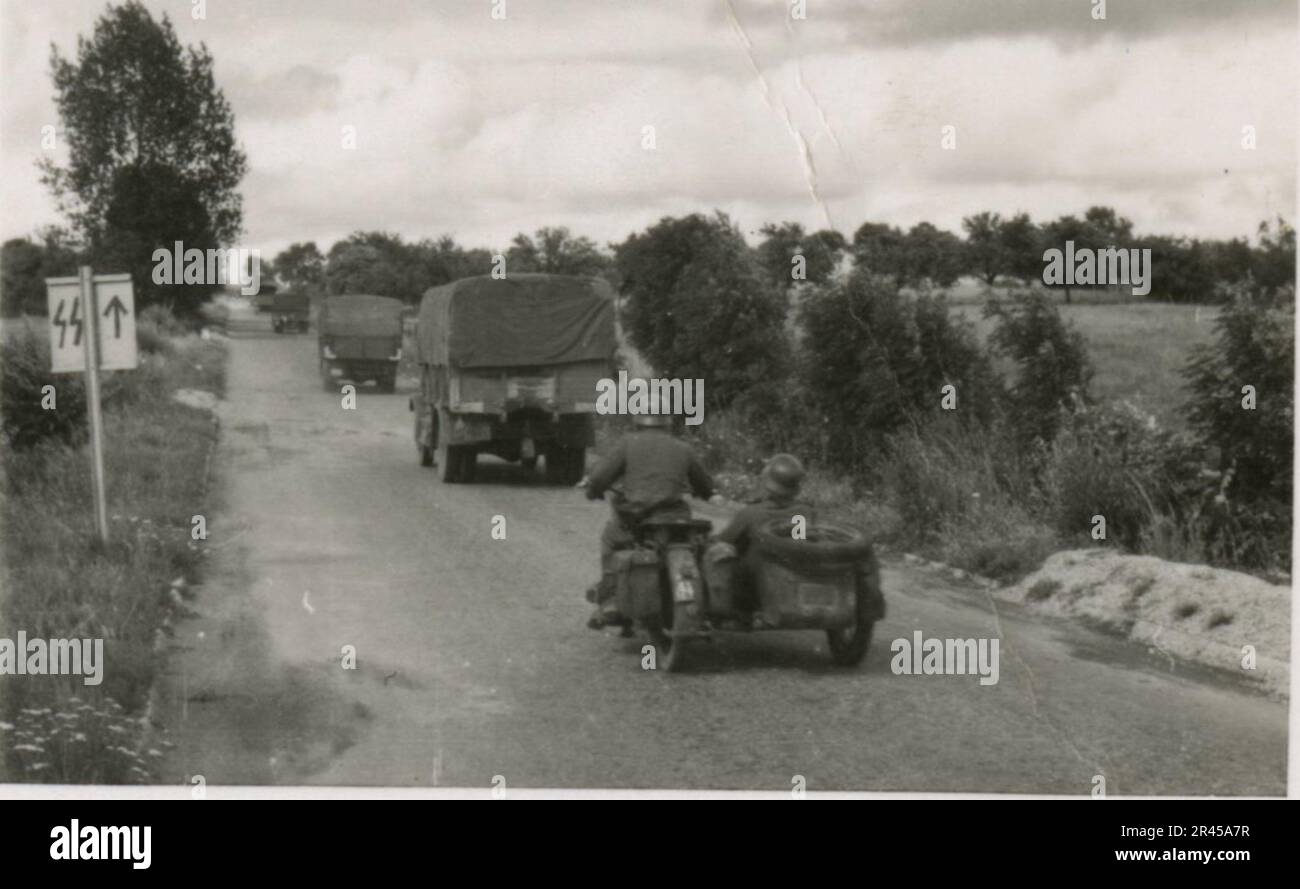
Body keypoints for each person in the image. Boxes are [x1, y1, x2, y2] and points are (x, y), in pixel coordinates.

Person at [583, 412, 716, 629]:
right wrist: (706, 492)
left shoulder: (628, 443)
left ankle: (610, 600)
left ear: (639, 420)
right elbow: (705, 485)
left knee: (610, 540)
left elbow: (599, 478)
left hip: (638, 519)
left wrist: (593, 491)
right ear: (667, 422)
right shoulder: (683, 447)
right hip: (675, 519)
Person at [712, 454, 815, 616]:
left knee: (726, 557)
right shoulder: (806, 512)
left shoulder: (751, 513)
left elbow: (726, 539)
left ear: (768, 483)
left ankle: (737, 613)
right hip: (796, 571)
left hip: (757, 581)